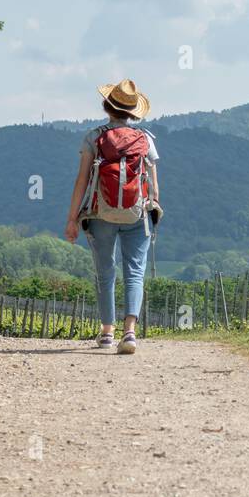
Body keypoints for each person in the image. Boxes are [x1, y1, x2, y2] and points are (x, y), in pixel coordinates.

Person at [64, 79, 160, 354]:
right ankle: (129, 332)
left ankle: (107, 331)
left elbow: (82, 180)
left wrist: (72, 219)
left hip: (99, 213)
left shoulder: (94, 137)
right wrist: (153, 211)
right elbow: (153, 183)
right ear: (133, 111)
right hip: (136, 214)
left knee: (104, 272)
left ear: (107, 107)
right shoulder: (146, 139)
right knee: (135, 272)